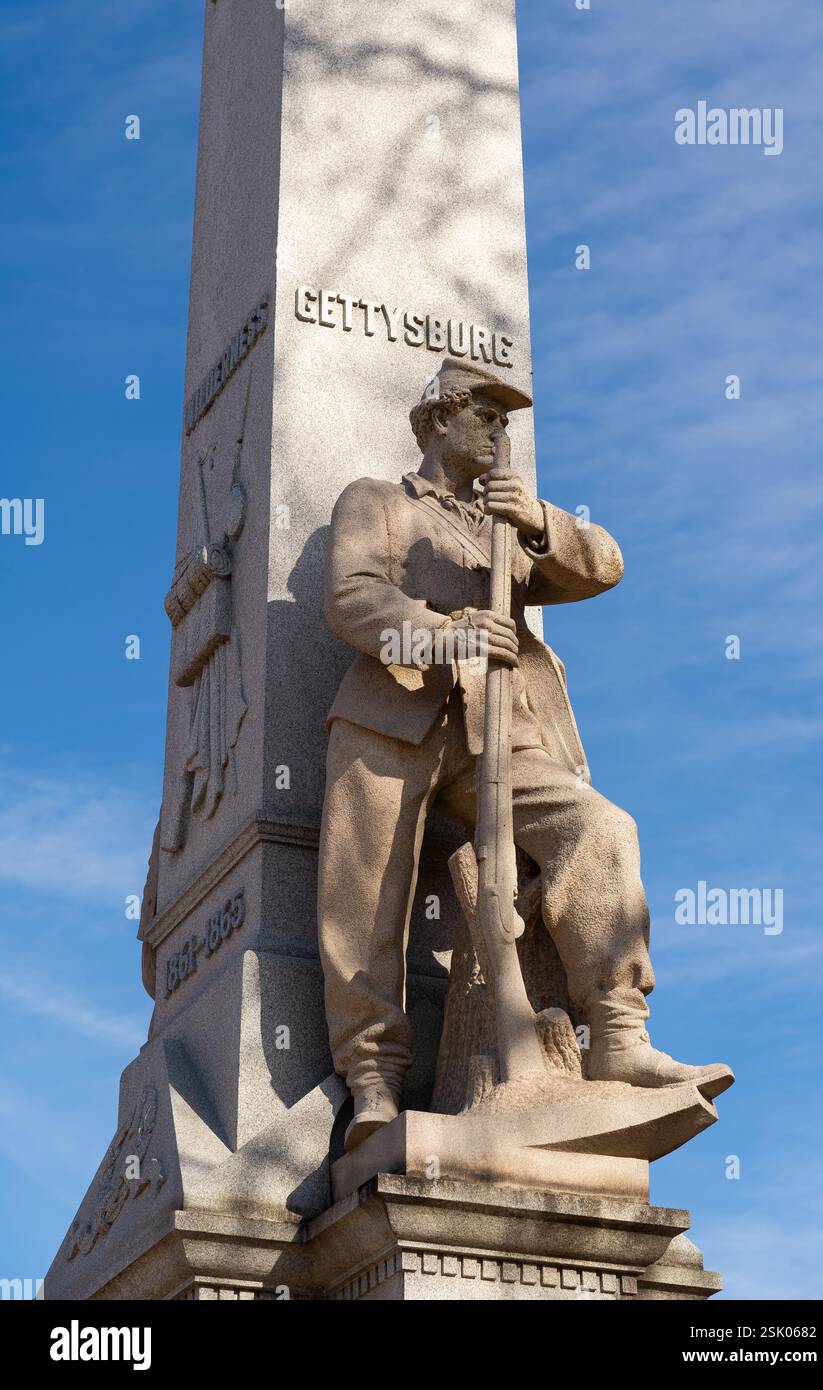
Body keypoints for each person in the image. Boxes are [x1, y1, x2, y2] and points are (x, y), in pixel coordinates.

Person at [318, 357, 731, 1149]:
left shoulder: (501, 525)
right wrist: (448, 632)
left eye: (504, 419)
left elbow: (603, 565)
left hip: (499, 724)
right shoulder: (374, 500)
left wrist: (538, 517)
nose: (497, 429)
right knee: (363, 898)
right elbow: (351, 597)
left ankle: (615, 1033)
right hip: (391, 717)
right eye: (481, 413)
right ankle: (371, 1081)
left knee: (599, 828)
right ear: (436, 420)